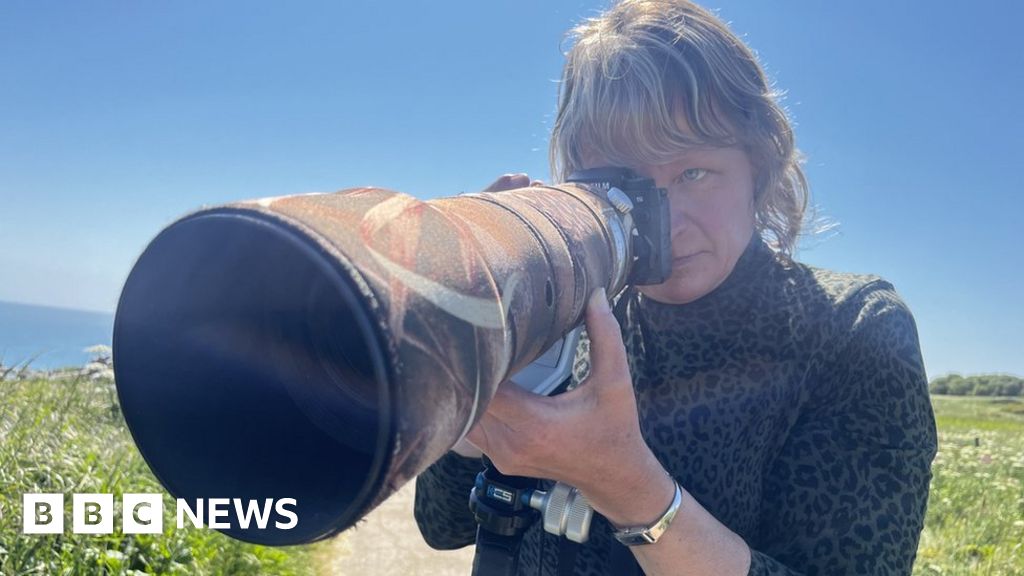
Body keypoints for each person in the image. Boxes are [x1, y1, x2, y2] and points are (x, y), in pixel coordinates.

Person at [414, 0, 938, 574]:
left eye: (693, 173)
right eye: (625, 185)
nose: (669, 222)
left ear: (758, 166)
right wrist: (487, 372)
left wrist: (627, 485)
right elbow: (443, 526)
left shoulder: (851, 331)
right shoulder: (568, 312)